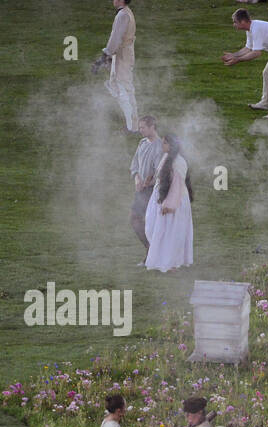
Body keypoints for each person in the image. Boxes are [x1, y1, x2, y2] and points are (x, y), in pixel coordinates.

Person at [223, 9, 268, 119]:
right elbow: (248, 48)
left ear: (243, 21)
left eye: (235, 22)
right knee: (266, 73)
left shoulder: (256, 29)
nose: (234, 25)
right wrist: (234, 55)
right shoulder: (250, 29)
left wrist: (238, 60)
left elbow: (256, 53)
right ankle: (266, 103)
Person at [144, 134, 195, 273]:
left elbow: (176, 185)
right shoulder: (167, 158)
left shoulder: (178, 162)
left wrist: (169, 205)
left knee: (172, 232)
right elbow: (163, 178)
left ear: (171, 146)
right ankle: (162, 258)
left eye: (165, 143)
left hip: (174, 200)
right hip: (162, 197)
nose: (162, 145)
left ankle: (171, 262)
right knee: (153, 228)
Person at [128, 115, 164, 264]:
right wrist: (137, 179)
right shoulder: (142, 143)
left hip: (153, 190)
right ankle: (150, 248)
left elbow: (159, 171)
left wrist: (148, 183)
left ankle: (155, 254)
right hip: (141, 190)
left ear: (152, 127)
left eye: (143, 127)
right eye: (140, 127)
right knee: (134, 218)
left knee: (152, 223)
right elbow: (134, 165)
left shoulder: (160, 145)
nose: (140, 130)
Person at [99, 0, 138, 134]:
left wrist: (105, 55)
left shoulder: (122, 15)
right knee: (119, 86)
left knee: (124, 89)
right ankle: (130, 122)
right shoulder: (126, 13)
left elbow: (115, 38)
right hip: (124, 53)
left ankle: (132, 125)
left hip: (123, 55)